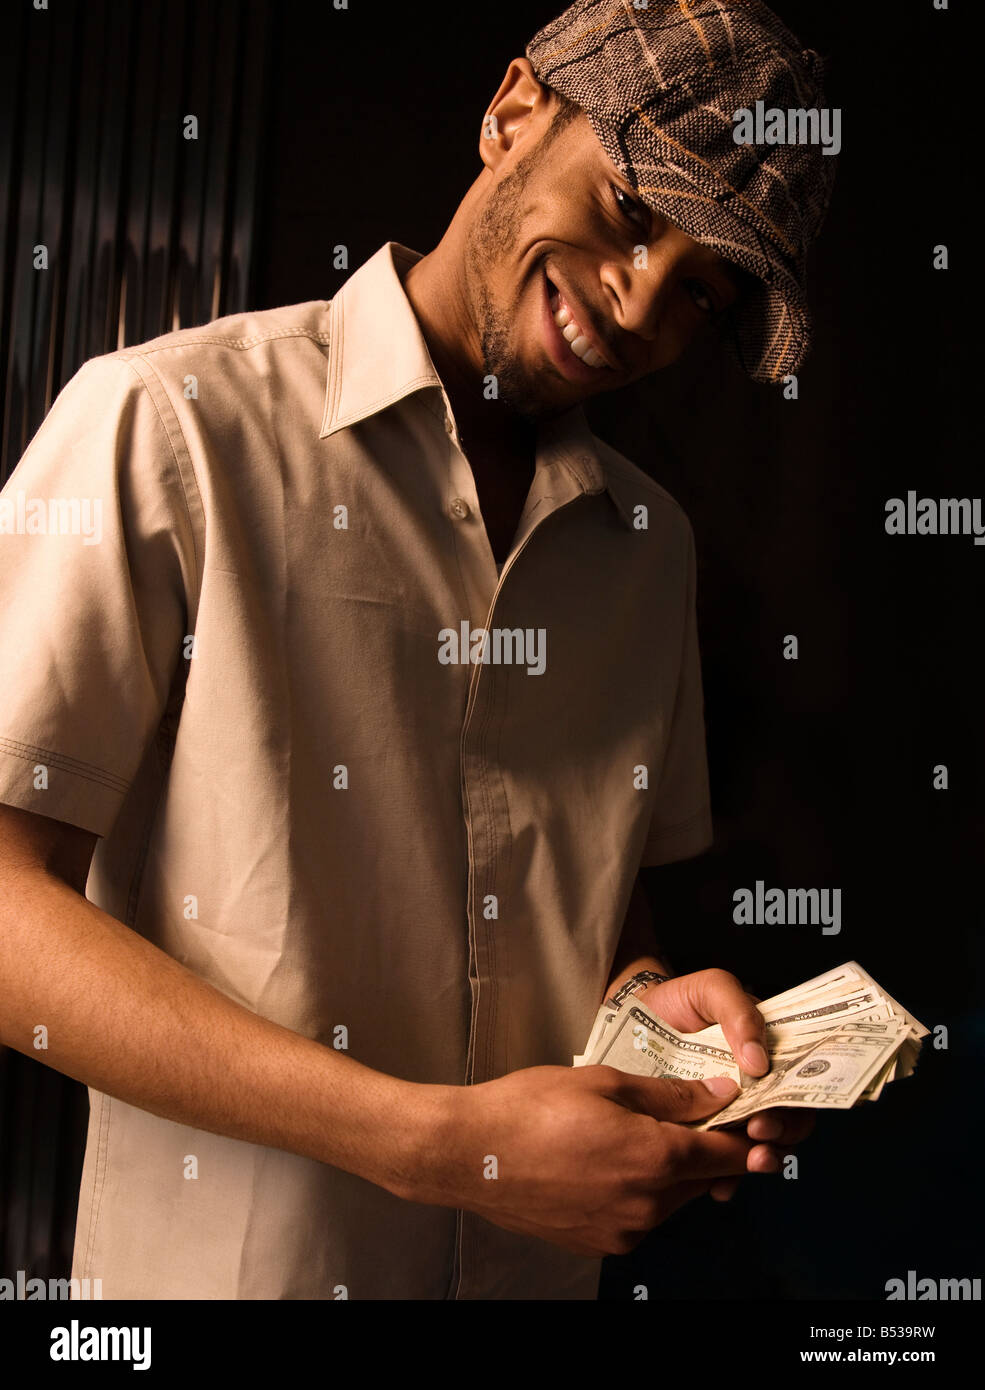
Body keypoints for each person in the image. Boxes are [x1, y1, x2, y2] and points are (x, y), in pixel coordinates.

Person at [0, 0, 836, 1299]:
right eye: (628, 213)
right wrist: (436, 1147)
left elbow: (593, 909)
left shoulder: (645, 545)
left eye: (699, 293)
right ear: (511, 111)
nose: (633, 304)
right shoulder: (166, 426)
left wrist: (650, 1015)